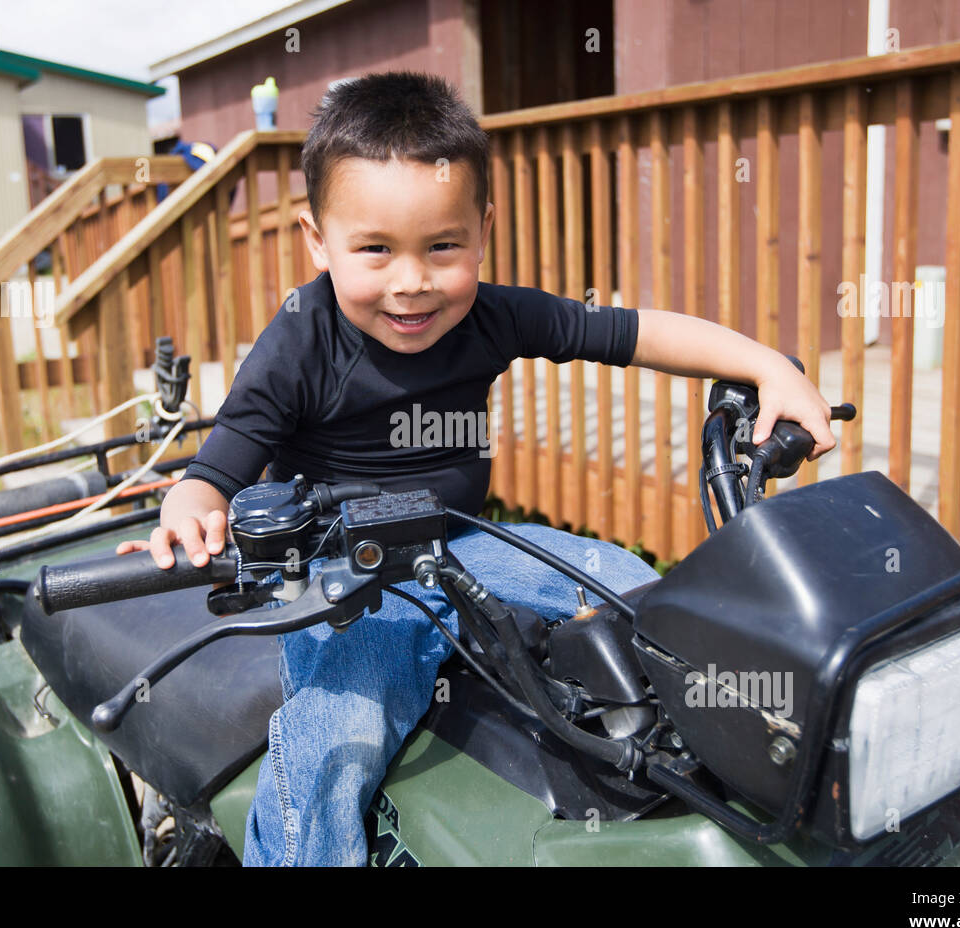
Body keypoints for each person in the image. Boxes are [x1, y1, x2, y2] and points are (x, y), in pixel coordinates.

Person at [116, 72, 837, 866]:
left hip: (465, 547)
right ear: (317, 240)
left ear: (483, 228)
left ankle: (742, 775)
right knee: (335, 739)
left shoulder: (493, 315)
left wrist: (768, 365)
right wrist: (194, 498)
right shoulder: (301, 337)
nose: (412, 280)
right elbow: (226, 453)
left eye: (442, 246)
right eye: (375, 250)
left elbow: (632, 332)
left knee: (631, 586)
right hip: (352, 580)